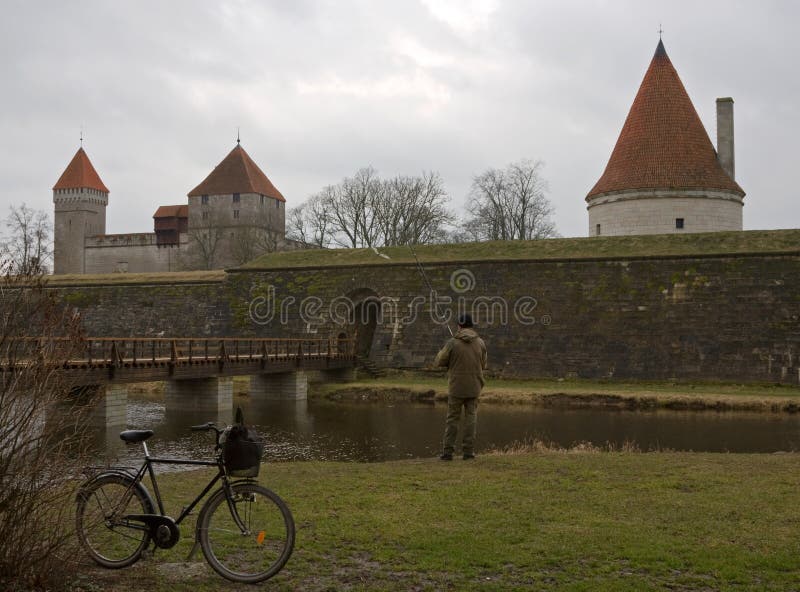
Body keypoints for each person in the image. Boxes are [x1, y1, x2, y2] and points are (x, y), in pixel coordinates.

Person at [435, 313, 487, 461]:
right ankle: (468, 452)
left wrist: (443, 352)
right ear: (472, 326)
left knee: (452, 419)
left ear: (459, 326)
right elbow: (484, 364)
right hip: (474, 386)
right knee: (471, 419)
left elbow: (439, 361)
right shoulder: (481, 343)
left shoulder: (452, 343)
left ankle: (447, 452)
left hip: (456, 387)